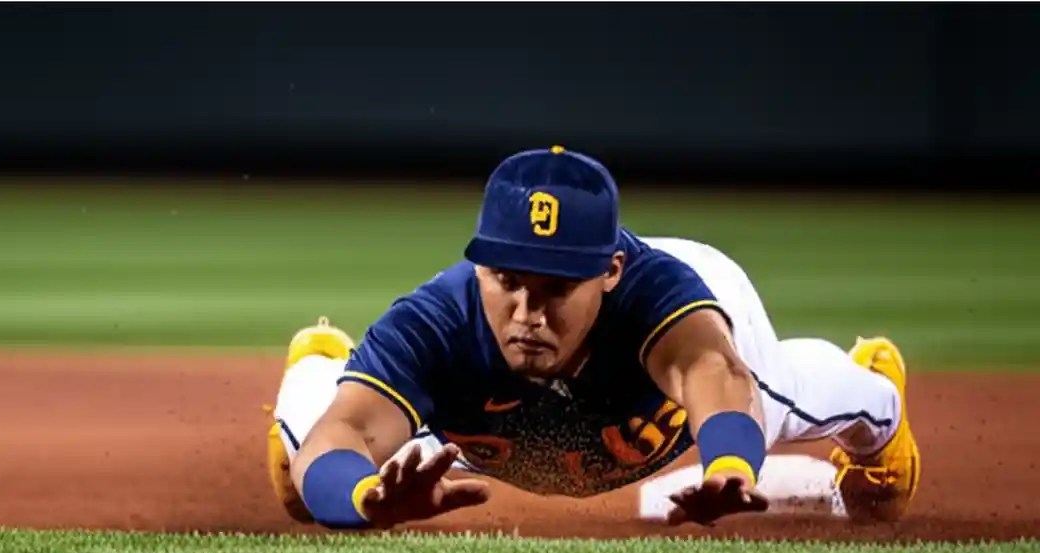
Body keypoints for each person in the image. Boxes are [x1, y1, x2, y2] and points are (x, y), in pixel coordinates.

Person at [265, 146, 918, 529]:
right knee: (308, 463)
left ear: (608, 272)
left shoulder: (656, 295)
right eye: (508, 279)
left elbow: (716, 378)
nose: (527, 312)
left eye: (555, 286)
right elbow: (342, 434)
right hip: (494, 427)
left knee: (775, 398)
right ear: (482, 266)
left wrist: (728, 464)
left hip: (700, 347)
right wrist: (361, 500)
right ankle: (323, 358)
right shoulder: (440, 321)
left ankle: (879, 395)